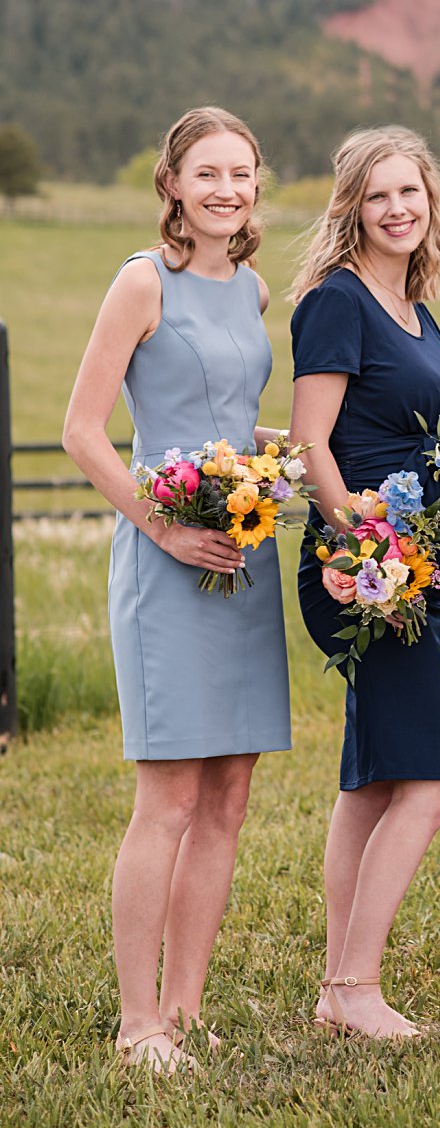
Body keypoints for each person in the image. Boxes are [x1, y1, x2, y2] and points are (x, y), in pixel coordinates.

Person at [63, 106, 291, 1072]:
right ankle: (137, 1023)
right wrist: (161, 527)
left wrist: (294, 460)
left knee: (230, 796)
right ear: (172, 183)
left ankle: (189, 1009)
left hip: (244, 556)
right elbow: (82, 430)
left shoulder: (253, 288)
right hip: (166, 560)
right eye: (207, 173)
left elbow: (235, 416)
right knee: (168, 799)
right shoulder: (139, 282)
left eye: (240, 173)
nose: (225, 189)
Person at [291, 126, 440, 1039]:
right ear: (351, 208)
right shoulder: (339, 303)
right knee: (435, 783)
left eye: (410, 193)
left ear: (429, 201)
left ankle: (336, 991)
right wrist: (361, 543)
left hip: (419, 569)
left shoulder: (417, 309)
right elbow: (312, 441)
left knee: (370, 781)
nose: (398, 209)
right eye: (378, 197)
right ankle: (358, 987)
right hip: (367, 574)